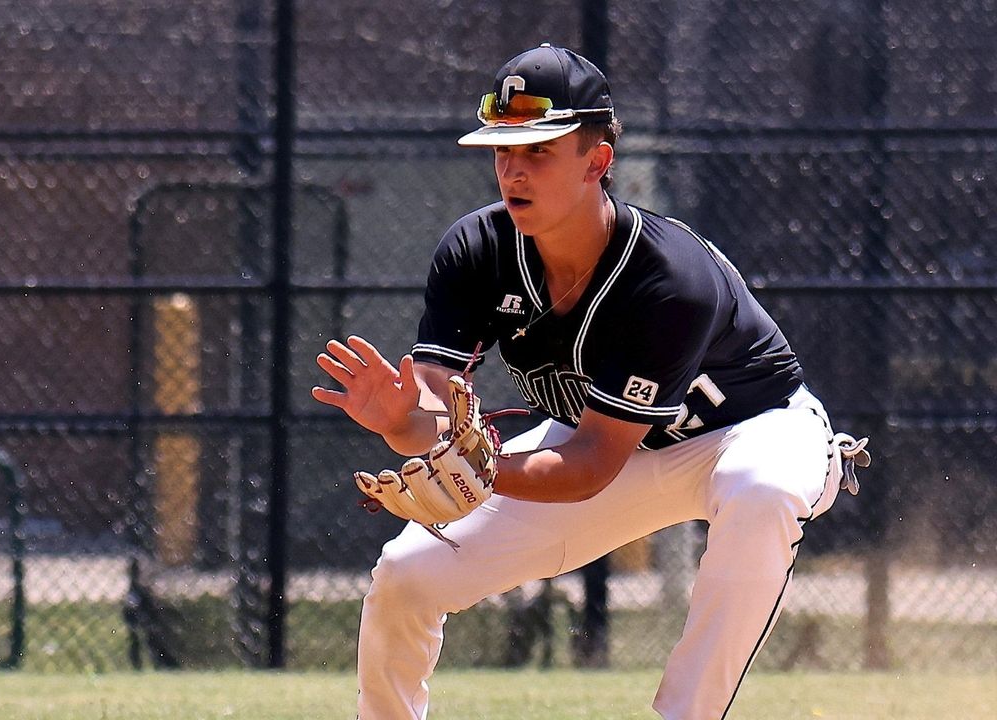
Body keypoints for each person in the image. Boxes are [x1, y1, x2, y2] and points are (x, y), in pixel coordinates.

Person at [312, 43, 868, 720]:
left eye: (539, 150)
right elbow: (435, 395)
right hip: (605, 444)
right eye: (502, 149)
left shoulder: (670, 279)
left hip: (745, 431)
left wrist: (475, 470)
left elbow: (589, 466)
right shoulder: (477, 249)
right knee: (407, 576)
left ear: (597, 162)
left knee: (761, 492)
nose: (513, 169)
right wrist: (406, 421)